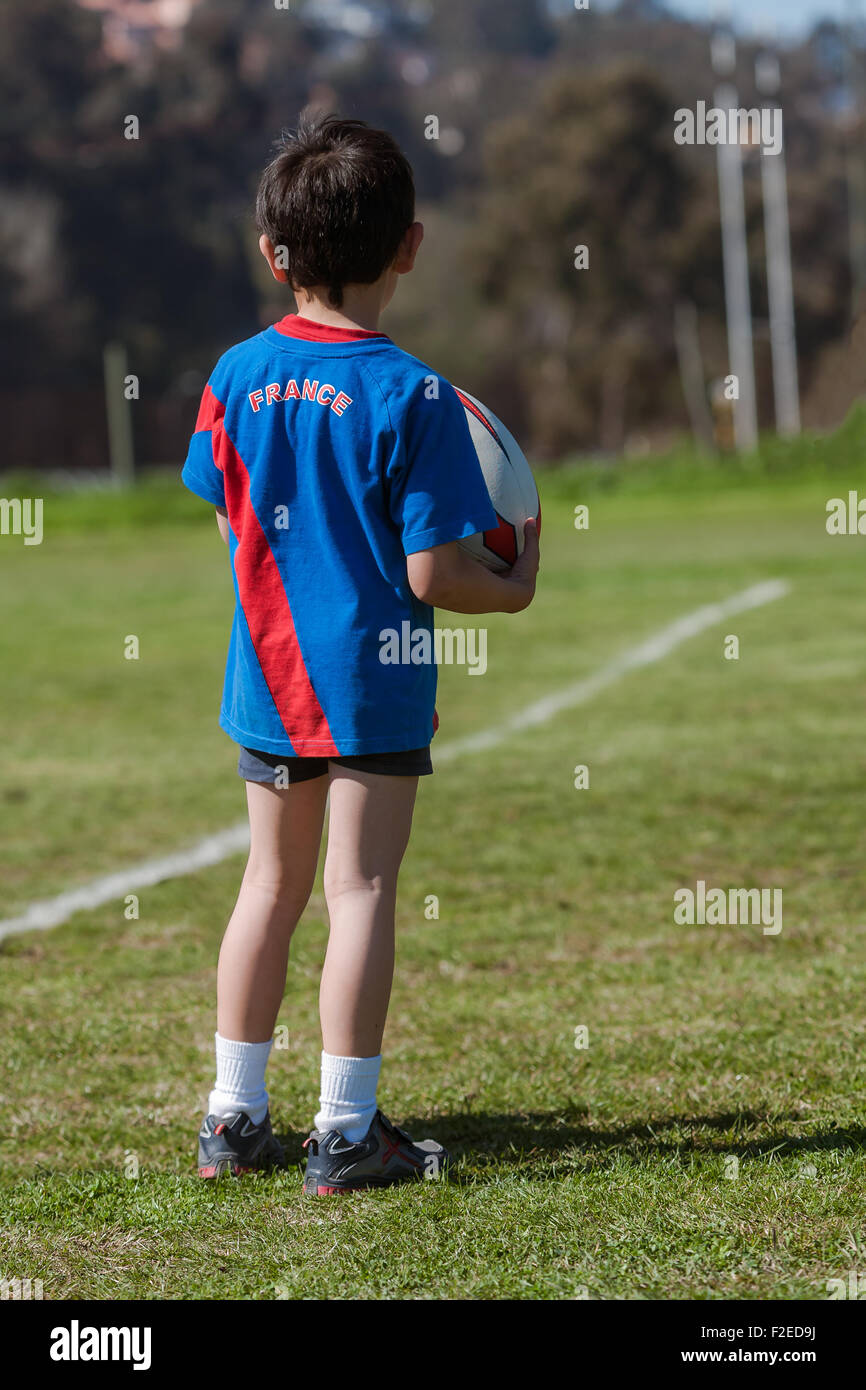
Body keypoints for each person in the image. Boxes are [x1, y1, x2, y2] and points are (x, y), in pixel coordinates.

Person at [181, 114, 539, 1195]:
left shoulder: (234, 374)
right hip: (370, 687)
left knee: (268, 885)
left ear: (269, 252)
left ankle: (232, 1117)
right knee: (363, 887)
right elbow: (436, 575)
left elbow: (225, 517)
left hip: (267, 682)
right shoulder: (414, 394)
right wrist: (514, 586)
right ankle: (345, 1131)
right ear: (410, 246)